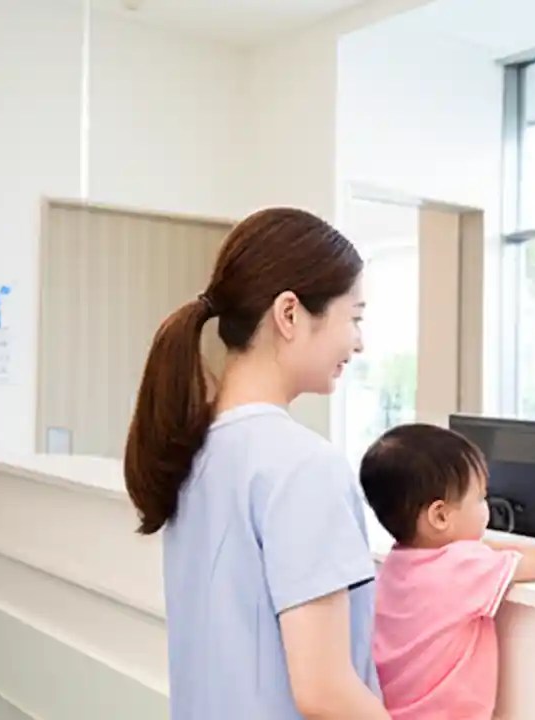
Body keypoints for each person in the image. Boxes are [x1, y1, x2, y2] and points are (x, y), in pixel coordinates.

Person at [123, 207, 389, 719]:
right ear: (289, 314)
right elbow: (325, 690)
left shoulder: (195, 450)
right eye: (353, 318)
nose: (358, 342)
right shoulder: (303, 466)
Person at [360, 423, 535, 720]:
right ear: (440, 516)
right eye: (480, 497)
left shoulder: (396, 563)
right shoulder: (463, 566)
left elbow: (484, 548)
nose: (487, 506)